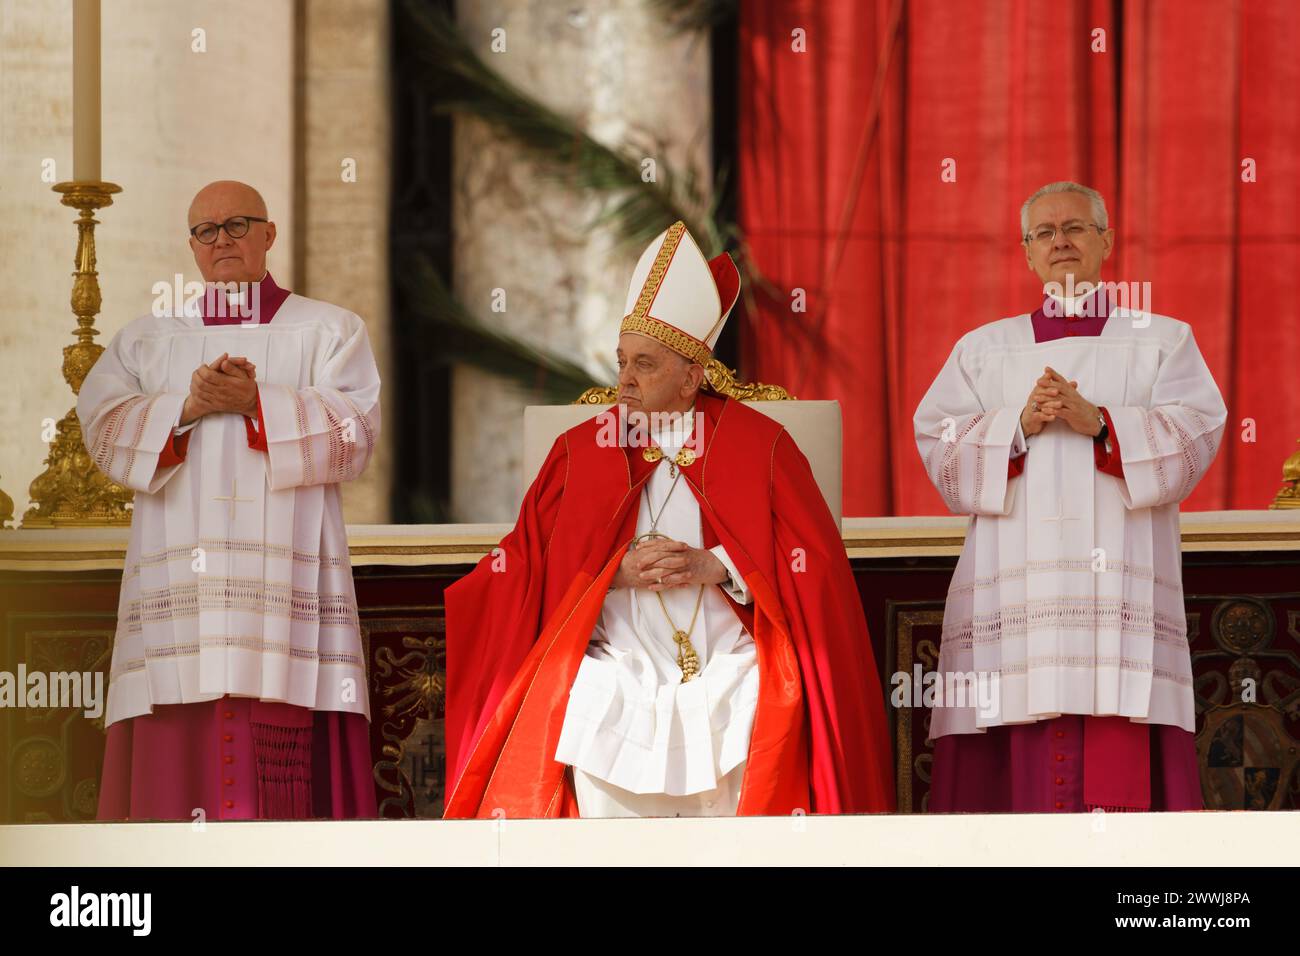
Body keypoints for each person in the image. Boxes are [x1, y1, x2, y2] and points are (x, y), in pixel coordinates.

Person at [444, 221, 893, 818]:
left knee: (758, 695)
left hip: (729, 663)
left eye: (645, 365)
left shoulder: (760, 447)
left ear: (691, 377)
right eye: (622, 361)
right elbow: (527, 563)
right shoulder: (582, 452)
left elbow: (816, 571)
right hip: (619, 662)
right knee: (587, 695)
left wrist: (718, 566)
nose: (624, 381)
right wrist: (611, 573)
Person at [913, 181, 1227, 812]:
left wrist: (1103, 422)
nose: (1061, 242)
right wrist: (1016, 426)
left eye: (1076, 228)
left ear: (1106, 241)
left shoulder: (1162, 339)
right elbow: (939, 448)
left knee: (1119, 718)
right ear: (1027, 253)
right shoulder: (983, 350)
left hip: (1120, 586)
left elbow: (1198, 431)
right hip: (1016, 584)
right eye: (1044, 233)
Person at [79, 180, 381, 820]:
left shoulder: (329, 329)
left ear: (269, 235)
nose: (222, 240)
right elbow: (102, 433)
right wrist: (186, 407)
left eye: (238, 225)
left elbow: (355, 436)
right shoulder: (147, 340)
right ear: (191, 246)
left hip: (282, 588)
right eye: (205, 230)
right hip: (180, 599)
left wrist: (256, 403)